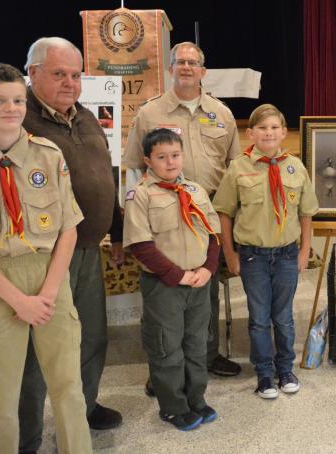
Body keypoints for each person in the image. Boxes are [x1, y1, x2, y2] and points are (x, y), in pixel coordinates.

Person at [0, 63, 92, 453]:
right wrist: (19, 301)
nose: (11, 108)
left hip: (50, 277)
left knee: (69, 386)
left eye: (18, 99)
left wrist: (47, 293)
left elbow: (68, 228)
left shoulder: (47, 155)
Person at [19, 37, 123, 451]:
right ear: (33, 73)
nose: (70, 83)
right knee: (36, 352)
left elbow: (105, 174)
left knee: (92, 335)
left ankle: (84, 406)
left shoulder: (85, 117)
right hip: (40, 259)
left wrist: (116, 228)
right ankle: (26, 435)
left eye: (76, 75)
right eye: (59, 74)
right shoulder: (17, 118)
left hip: (86, 250)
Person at [124, 42, 242, 384]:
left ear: (203, 71)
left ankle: (205, 355)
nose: (187, 67)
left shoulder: (221, 113)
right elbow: (134, 166)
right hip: (162, 216)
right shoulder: (150, 113)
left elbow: (234, 168)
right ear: (171, 68)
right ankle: (161, 367)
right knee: (165, 293)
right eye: (181, 62)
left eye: (194, 62)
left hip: (208, 215)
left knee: (206, 289)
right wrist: (135, 212)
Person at [213, 104, 317, 398]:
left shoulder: (296, 167)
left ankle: (285, 369)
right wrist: (230, 254)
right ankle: (264, 374)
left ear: (284, 132)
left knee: (283, 317)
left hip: (286, 254)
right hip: (252, 256)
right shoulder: (239, 168)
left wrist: (304, 251)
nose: (269, 133)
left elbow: (306, 213)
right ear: (251, 133)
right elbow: (224, 212)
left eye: (274, 128)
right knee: (259, 318)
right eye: (262, 128)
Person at [123, 128, 221, 431]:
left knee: (196, 343)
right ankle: (173, 406)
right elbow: (141, 245)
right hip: (165, 285)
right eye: (162, 157)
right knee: (167, 347)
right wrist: (178, 275)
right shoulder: (140, 194)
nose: (170, 162)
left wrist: (207, 269)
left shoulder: (195, 190)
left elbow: (213, 234)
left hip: (199, 282)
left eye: (175, 155)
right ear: (148, 160)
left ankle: (196, 399)